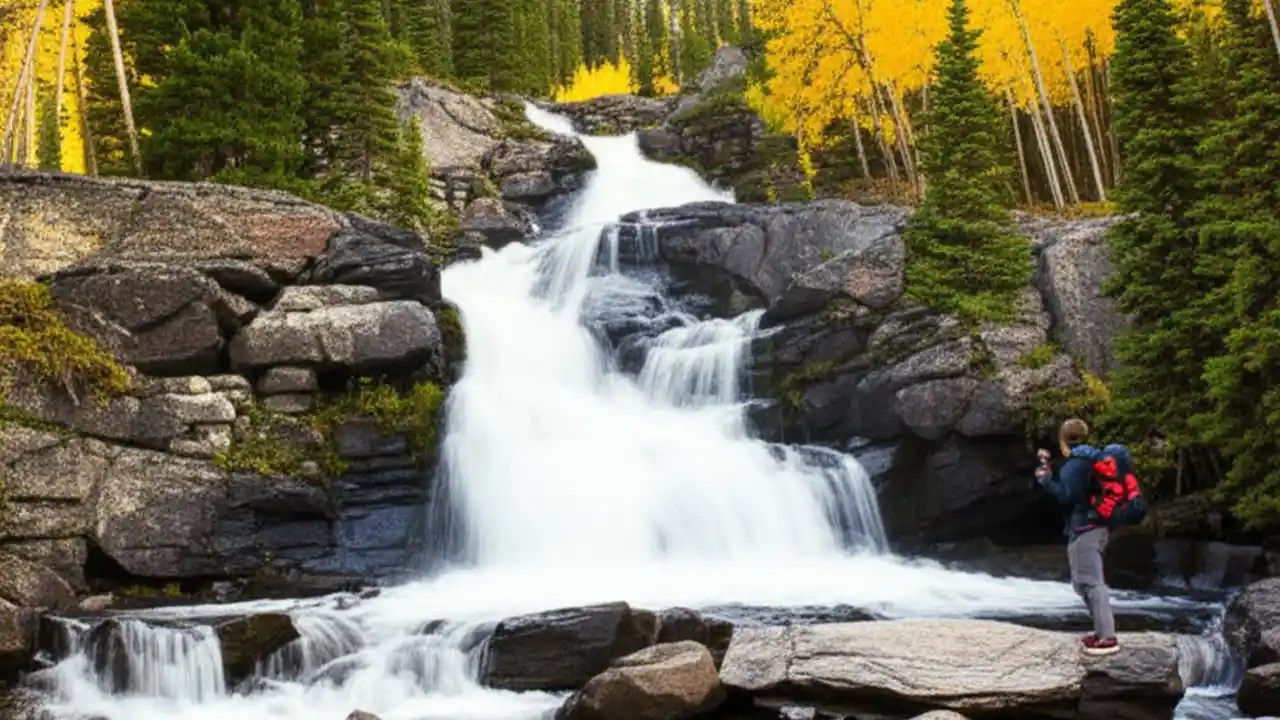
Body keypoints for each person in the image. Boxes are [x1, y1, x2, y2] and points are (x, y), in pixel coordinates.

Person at [1036, 418, 1119, 656]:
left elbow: (1066, 495)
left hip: (1087, 527)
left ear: (1064, 438)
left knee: (1092, 583)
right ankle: (1100, 631)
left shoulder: (1076, 464)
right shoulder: (1091, 459)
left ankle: (1108, 638)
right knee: (1082, 583)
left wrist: (1046, 481)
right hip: (1092, 526)